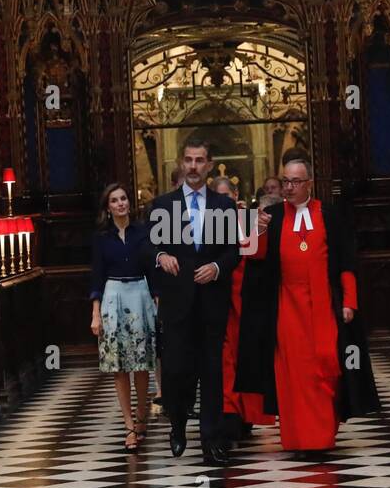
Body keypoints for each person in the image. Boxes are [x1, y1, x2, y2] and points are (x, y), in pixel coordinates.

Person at [236, 151, 379, 459]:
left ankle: (321, 437)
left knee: (324, 369)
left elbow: (346, 262)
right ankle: (298, 439)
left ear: (309, 183)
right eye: (285, 181)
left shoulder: (329, 215)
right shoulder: (272, 218)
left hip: (323, 304)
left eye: (295, 181)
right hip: (287, 306)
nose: (288, 187)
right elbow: (252, 256)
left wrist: (349, 302)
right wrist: (257, 229)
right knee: (291, 373)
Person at [141, 137, 240, 465]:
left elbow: (233, 252)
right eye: (189, 160)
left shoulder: (223, 206)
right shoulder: (162, 206)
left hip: (211, 301)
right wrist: (161, 256)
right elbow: (148, 249)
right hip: (176, 303)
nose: (194, 167)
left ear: (209, 165)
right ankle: (179, 424)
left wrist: (215, 267)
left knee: (212, 372)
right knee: (177, 371)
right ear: (181, 164)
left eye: (200, 161)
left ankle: (211, 439)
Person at [90, 183, 156, 452]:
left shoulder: (143, 232)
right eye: (115, 200)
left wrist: (157, 301)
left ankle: (142, 416)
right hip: (113, 296)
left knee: (141, 363)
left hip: (140, 293)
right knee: (119, 366)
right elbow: (96, 275)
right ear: (108, 207)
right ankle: (128, 425)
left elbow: (153, 268)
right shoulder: (101, 238)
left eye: (124, 198)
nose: (121, 203)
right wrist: (96, 314)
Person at [222, 194, 278, 443]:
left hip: (250, 303)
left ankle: (246, 417)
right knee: (227, 364)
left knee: (248, 361)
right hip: (224, 304)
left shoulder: (248, 224)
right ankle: (231, 417)